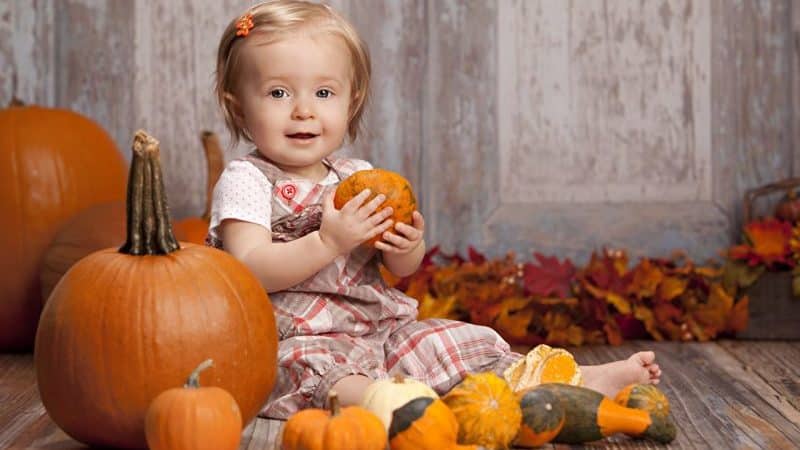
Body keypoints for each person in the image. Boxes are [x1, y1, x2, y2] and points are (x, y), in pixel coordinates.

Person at [208, 0, 660, 419]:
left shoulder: (356, 176)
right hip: (296, 338)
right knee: (317, 372)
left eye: (324, 94)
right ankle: (402, 409)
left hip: (379, 332)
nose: (304, 111)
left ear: (352, 101)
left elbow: (398, 271)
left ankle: (571, 381)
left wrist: (406, 246)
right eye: (279, 94)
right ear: (240, 108)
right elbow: (248, 268)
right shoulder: (246, 180)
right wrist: (327, 241)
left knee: (451, 343)